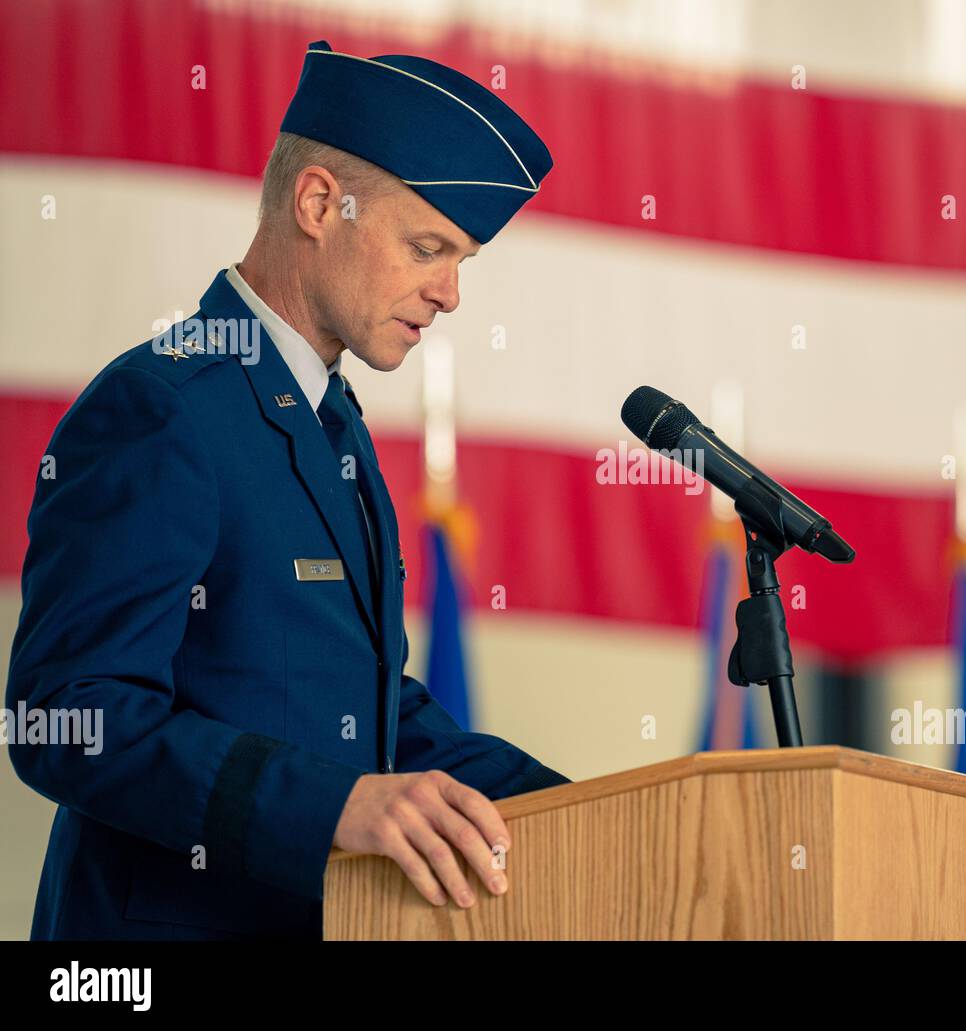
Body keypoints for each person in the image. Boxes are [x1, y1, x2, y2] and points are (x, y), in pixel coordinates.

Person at [5, 39, 569, 941]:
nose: (452, 293)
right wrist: (330, 807)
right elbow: (64, 715)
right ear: (318, 202)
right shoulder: (163, 406)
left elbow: (359, 712)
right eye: (429, 247)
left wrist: (586, 807)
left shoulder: (331, 422)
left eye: (462, 259)